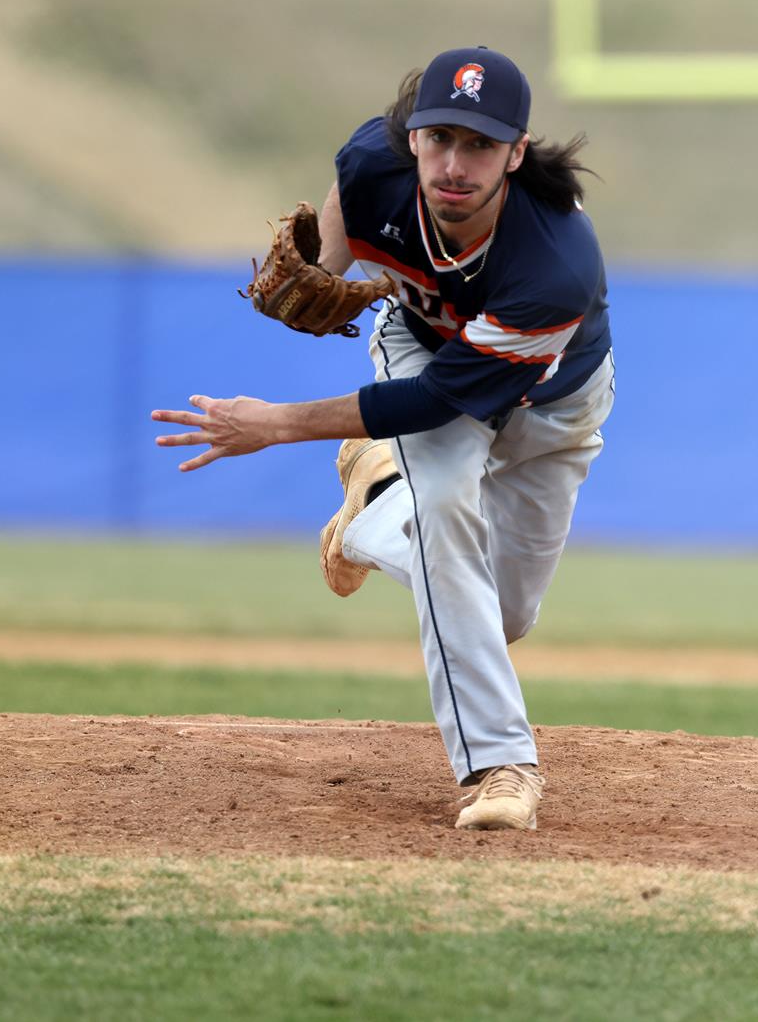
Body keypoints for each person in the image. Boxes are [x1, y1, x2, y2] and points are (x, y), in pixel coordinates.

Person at [150, 46, 613, 832]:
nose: (454, 164)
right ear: (415, 138)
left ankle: (374, 510)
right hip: (421, 345)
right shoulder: (379, 164)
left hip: (552, 407)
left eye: (480, 144)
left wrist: (274, 424)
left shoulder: (554, 263)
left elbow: (436, 401)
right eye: (440, 138)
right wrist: (330, 264)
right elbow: (351, 179)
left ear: (516, 153)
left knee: (498, 615)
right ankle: (499, 767)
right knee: (445, 513)